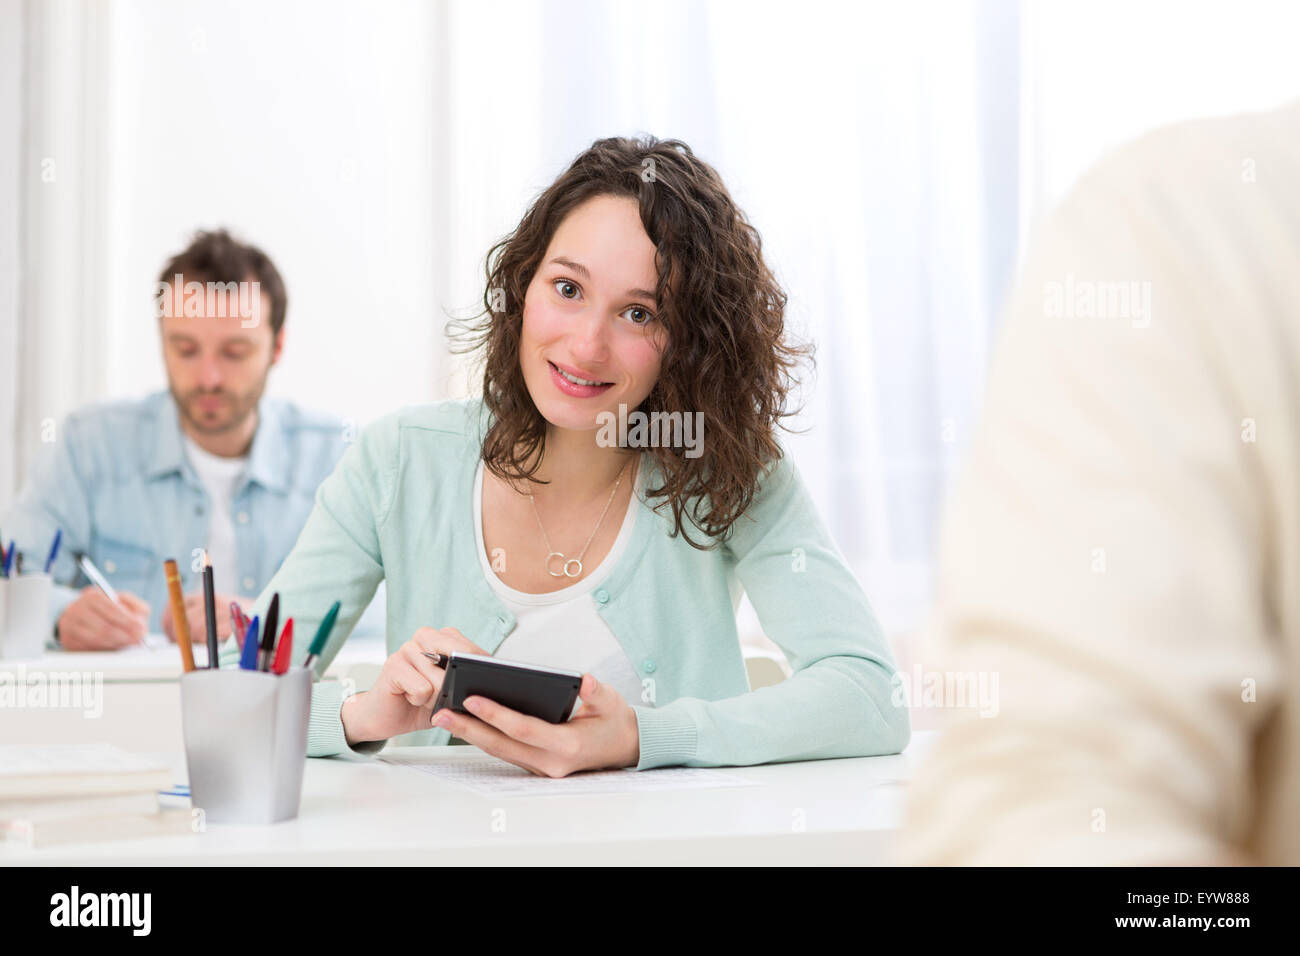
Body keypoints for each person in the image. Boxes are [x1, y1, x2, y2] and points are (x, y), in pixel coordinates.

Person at [248, 135, 910, 775]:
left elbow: (872, 697)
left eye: (640, 314)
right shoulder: (400, 460)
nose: (587, 345)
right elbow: (238, 702)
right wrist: (365, 716)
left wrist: (640, 738)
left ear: (691, 343)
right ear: (525, 286)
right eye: (568, 289)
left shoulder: (725, 468)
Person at [898, 102, 1300, 864]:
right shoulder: (1186, 229)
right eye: (586, 290)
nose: (591, 344)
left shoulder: (742, 481)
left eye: (640, 310)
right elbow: (1044, 804)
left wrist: (658, 732)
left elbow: (851, 693)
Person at [2, 229, 356, 651]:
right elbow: (10, 580)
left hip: (289, 715)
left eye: (234, 352)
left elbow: (387, 612)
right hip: (127, 713)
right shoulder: (89, 446)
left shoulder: (336, 457)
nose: (208, 377)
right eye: (186, 349)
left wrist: (273, 619)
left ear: (276, 347)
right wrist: (60, 617)